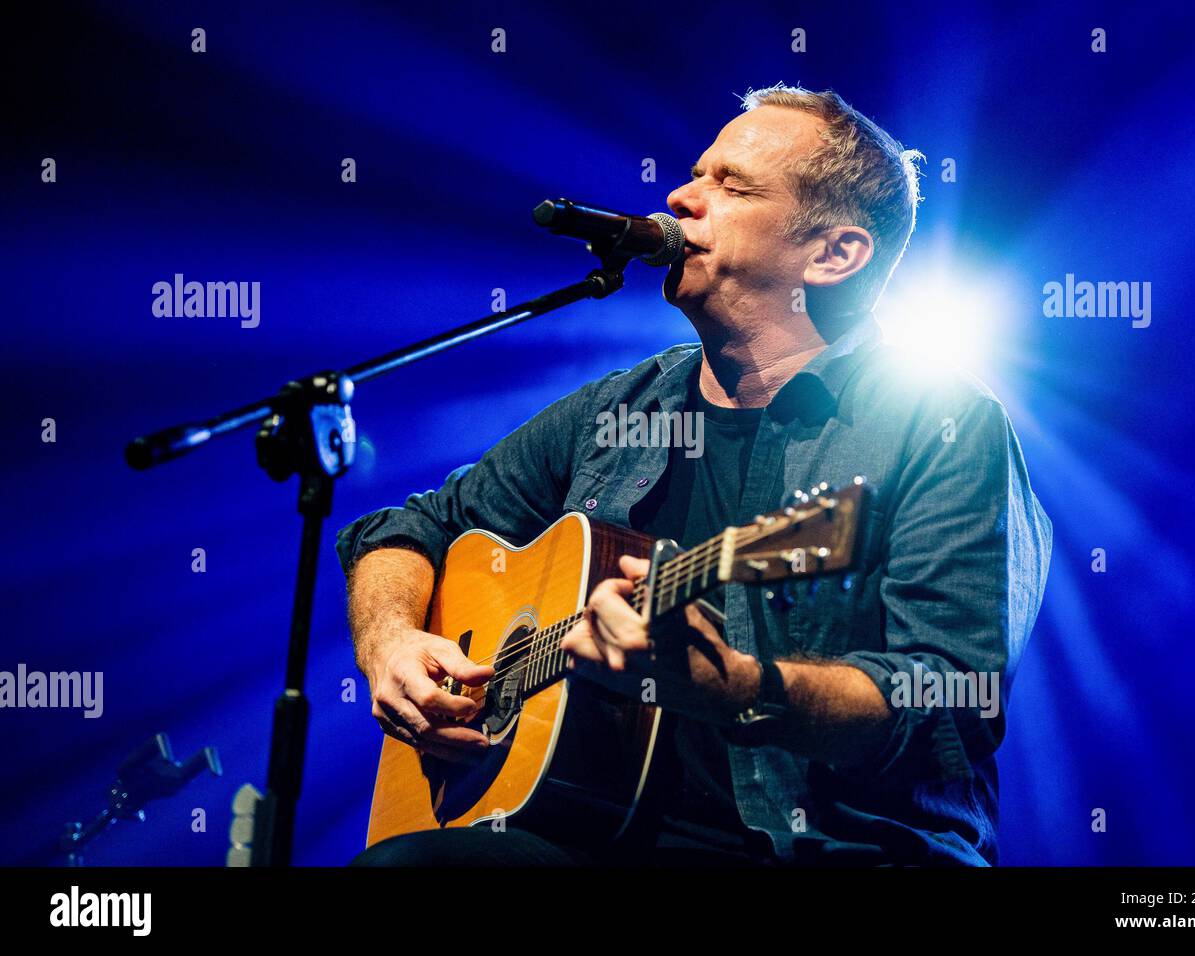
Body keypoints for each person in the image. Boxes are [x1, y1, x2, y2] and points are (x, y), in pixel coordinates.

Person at [338, 84, 1052, 867]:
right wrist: (393, 641)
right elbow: (411, 528)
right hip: (593, 836)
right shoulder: (624, 405)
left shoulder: (941, 423)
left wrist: (740, 687)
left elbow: (949, 697)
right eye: (697, 173)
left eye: (732, 185)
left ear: (834, 254)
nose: (681, 196)